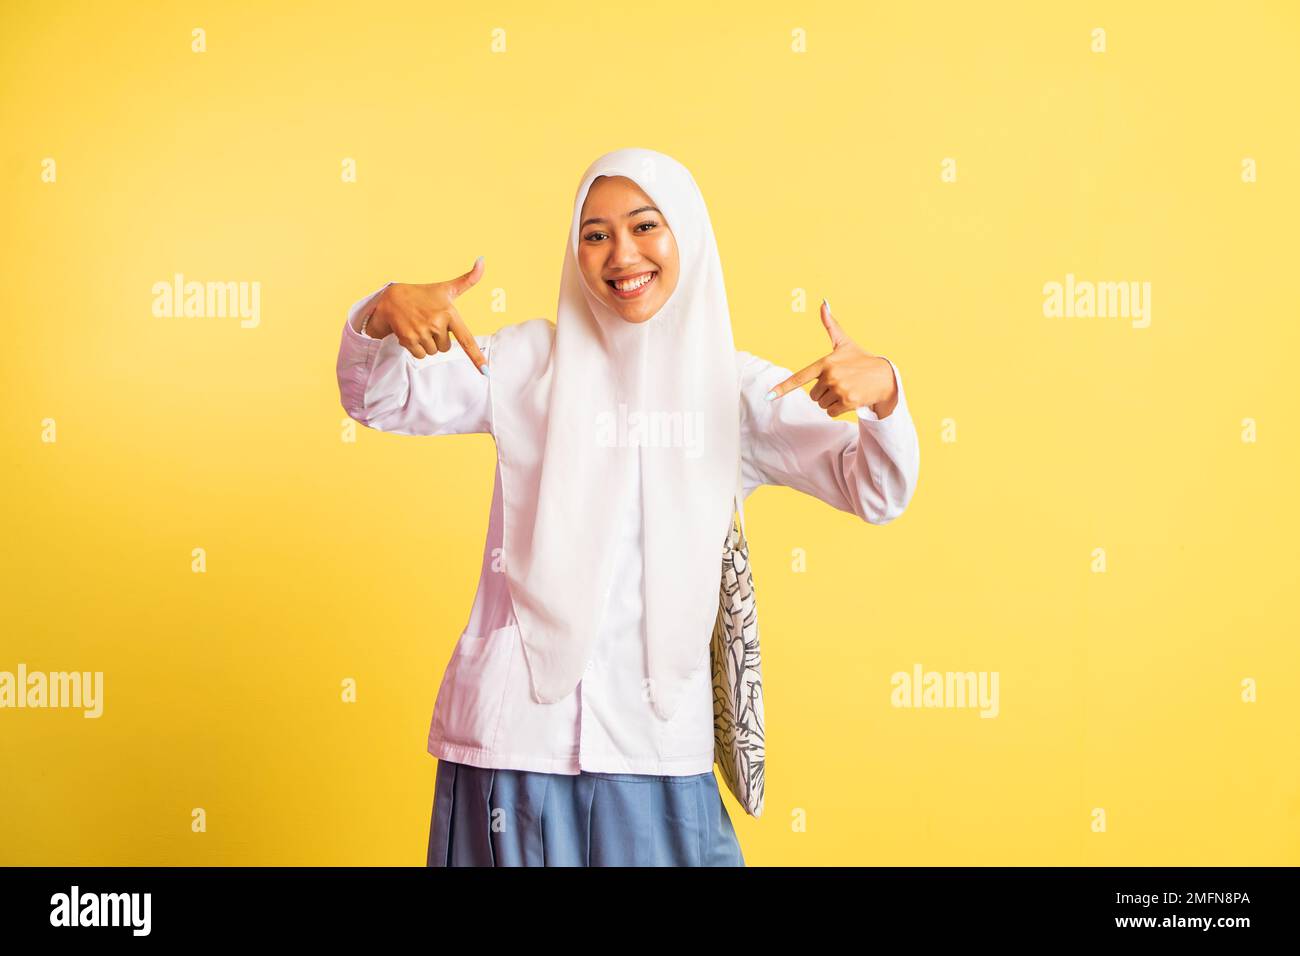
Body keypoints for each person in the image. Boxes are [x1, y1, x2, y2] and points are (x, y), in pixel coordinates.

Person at [334, 147, 920, 866]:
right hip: (512, 747)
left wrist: (885, 393)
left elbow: (876, 489)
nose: (622, 254)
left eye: (646, 227)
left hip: (656, 751)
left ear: (688, 236)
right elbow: (379, 398)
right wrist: (380, 318)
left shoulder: (732, 394)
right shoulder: (527, 364)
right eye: (596, 233)